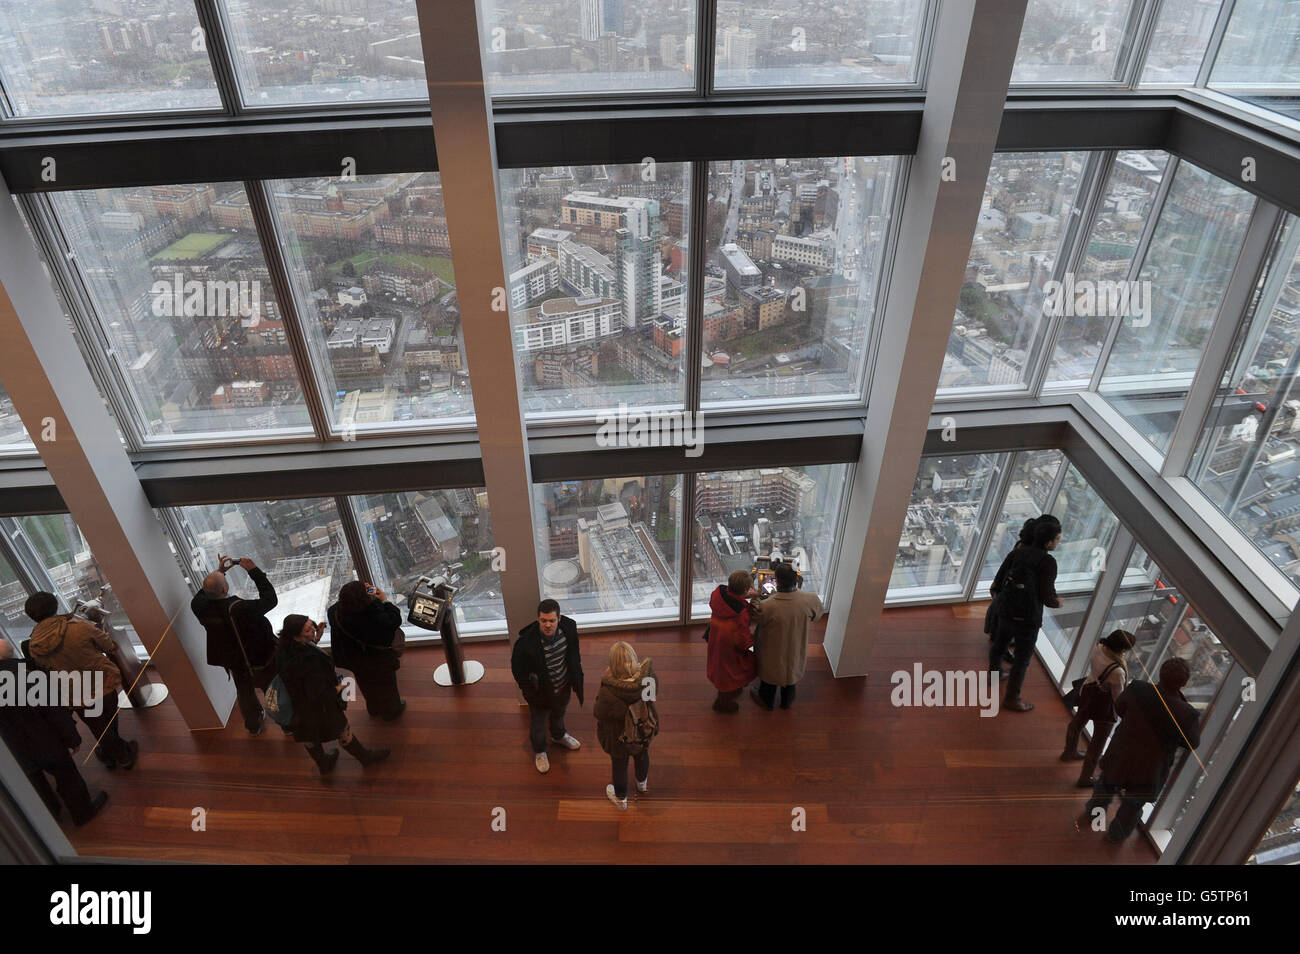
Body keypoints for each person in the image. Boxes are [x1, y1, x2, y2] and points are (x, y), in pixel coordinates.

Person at [1081, 657, 1201, 843]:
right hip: (1149, 769)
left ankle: (1093, 814)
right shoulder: (1187, 713)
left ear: (1160, 673)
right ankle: (1116, 835)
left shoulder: (1138, 688)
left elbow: (1119, 708)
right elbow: (1192, 743)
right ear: (1183, 684)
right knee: (1132, 805)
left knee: (1105, 787)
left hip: (1121, 753)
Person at [25, 592, 137, 770]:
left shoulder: (34, 645)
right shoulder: (78, 627)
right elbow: (108, 645)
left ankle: (108, 753)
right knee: (108, 718)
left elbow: (46, 669)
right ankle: (123, 756)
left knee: (98, 725)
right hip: (101, 681)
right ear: (54, 607)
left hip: (73, 692)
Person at [0, 641, 108, 825]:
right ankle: (83, 813)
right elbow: (55, 714)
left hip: (12, 750)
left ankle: (50, 816)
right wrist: (72, 739)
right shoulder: (28, 677)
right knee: (67, 776)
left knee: (35, 783)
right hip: (46, 742)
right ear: (10, 655)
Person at [274, 614, 390, 777]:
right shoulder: (310, 663)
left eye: (311, 624)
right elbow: (320, 694)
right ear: (296, 636)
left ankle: (323, 764)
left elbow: (301, 660)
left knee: (309, 737)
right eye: (307, 630)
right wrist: (342, 686)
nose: (313, 629)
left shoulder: (284, 649)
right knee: (342, 731)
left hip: (297, 707)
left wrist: (315, 638)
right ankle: (365, 758)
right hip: (320, 708)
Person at [190, 555, 278, 736]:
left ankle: (253, 726)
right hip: (257, 658)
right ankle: (286, 722)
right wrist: (254, 571)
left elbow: (205, 592)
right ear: (225, 589)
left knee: (244, 692)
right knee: (272, 689)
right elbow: (270, 599)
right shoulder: (239, 608)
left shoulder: (199, 606)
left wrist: (219, 572)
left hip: (233, 660)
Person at [987, 515, 1062, 712]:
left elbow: (998, 581)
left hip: (1006, 611)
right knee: (1021, 660)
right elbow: (1047, 597)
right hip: (1028, 618)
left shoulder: (1017, 552)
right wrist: (1058, 602)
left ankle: (994, 674)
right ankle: (1011, 699)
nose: (1058, 541)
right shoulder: (1048, 562)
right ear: (1048, 542)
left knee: (999, 645)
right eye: (1057, 539)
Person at [511, 599, 584, 774]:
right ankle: (540, 750)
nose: (548, 625)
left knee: (559, 712)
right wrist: (530, 693)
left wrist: (575, 679)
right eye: (543, 620)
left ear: (559, 618)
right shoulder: (525, 644)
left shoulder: (569, 628)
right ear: (538, 619)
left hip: (563, 685)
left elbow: (574, 656)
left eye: (552, 620)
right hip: (540, 692)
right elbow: (518, 671)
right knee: (538, 723)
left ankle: (558, 735)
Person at [1062, 629, 1136, 788]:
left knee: (1076, 724)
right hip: (1104, 708)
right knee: (1097, 745)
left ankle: (1069, 752)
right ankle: (1085, 778)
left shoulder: (1099, 647)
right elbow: (1117, 697)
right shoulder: (1118, 671)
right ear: (1122, 649)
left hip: (1088, 692)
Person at [749, 562, 825, 710]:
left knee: (769, 678)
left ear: (776, 581)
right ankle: (786, 702)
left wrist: (756, 597)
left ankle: (766, 701)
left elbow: (754, 617)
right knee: (791, 676)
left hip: (772, 651)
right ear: (796, 579)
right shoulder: (811, 599)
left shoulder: (766, 606)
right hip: (796, 648)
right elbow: (817, 616)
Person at [593, 641, 660, 810]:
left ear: (613, 666)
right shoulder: (649, 677)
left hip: (619, 737)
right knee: (642, 756)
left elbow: (598, 712)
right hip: (642, 729)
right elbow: (652, 697)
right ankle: (641, 784)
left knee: (620, 765)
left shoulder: (608, 691)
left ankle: (621, 799)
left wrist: (605, 681)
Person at [328, 580, 405, 721]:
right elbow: (393, 620)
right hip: (377, 658)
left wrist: (362, 595)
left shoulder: (334, 612)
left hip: (353, 658)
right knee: (387, 685)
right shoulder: (371, 612)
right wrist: (383, 600)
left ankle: (374, 708)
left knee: (365, 684)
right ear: (363, 598)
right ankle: (392, 711)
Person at [985, 517, 1040, 670]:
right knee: (1004, 634)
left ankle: (996, 668)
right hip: (1011, 599)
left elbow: (1004, 571)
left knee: (1000, 629)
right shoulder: (1028, 555)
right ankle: (1001, 660)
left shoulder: (1019, 547)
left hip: (1005, 595)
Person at [706, 569, 758, 712]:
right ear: (745, 590)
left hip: (717, 640)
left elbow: (733, 599)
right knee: (730, 675)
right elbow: (743, 640)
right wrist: (753, 646)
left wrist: (745, 596)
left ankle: (725, 693)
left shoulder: (718, 594)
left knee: (720, 669)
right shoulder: (740, 614)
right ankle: (723, 703)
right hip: (731, 649)